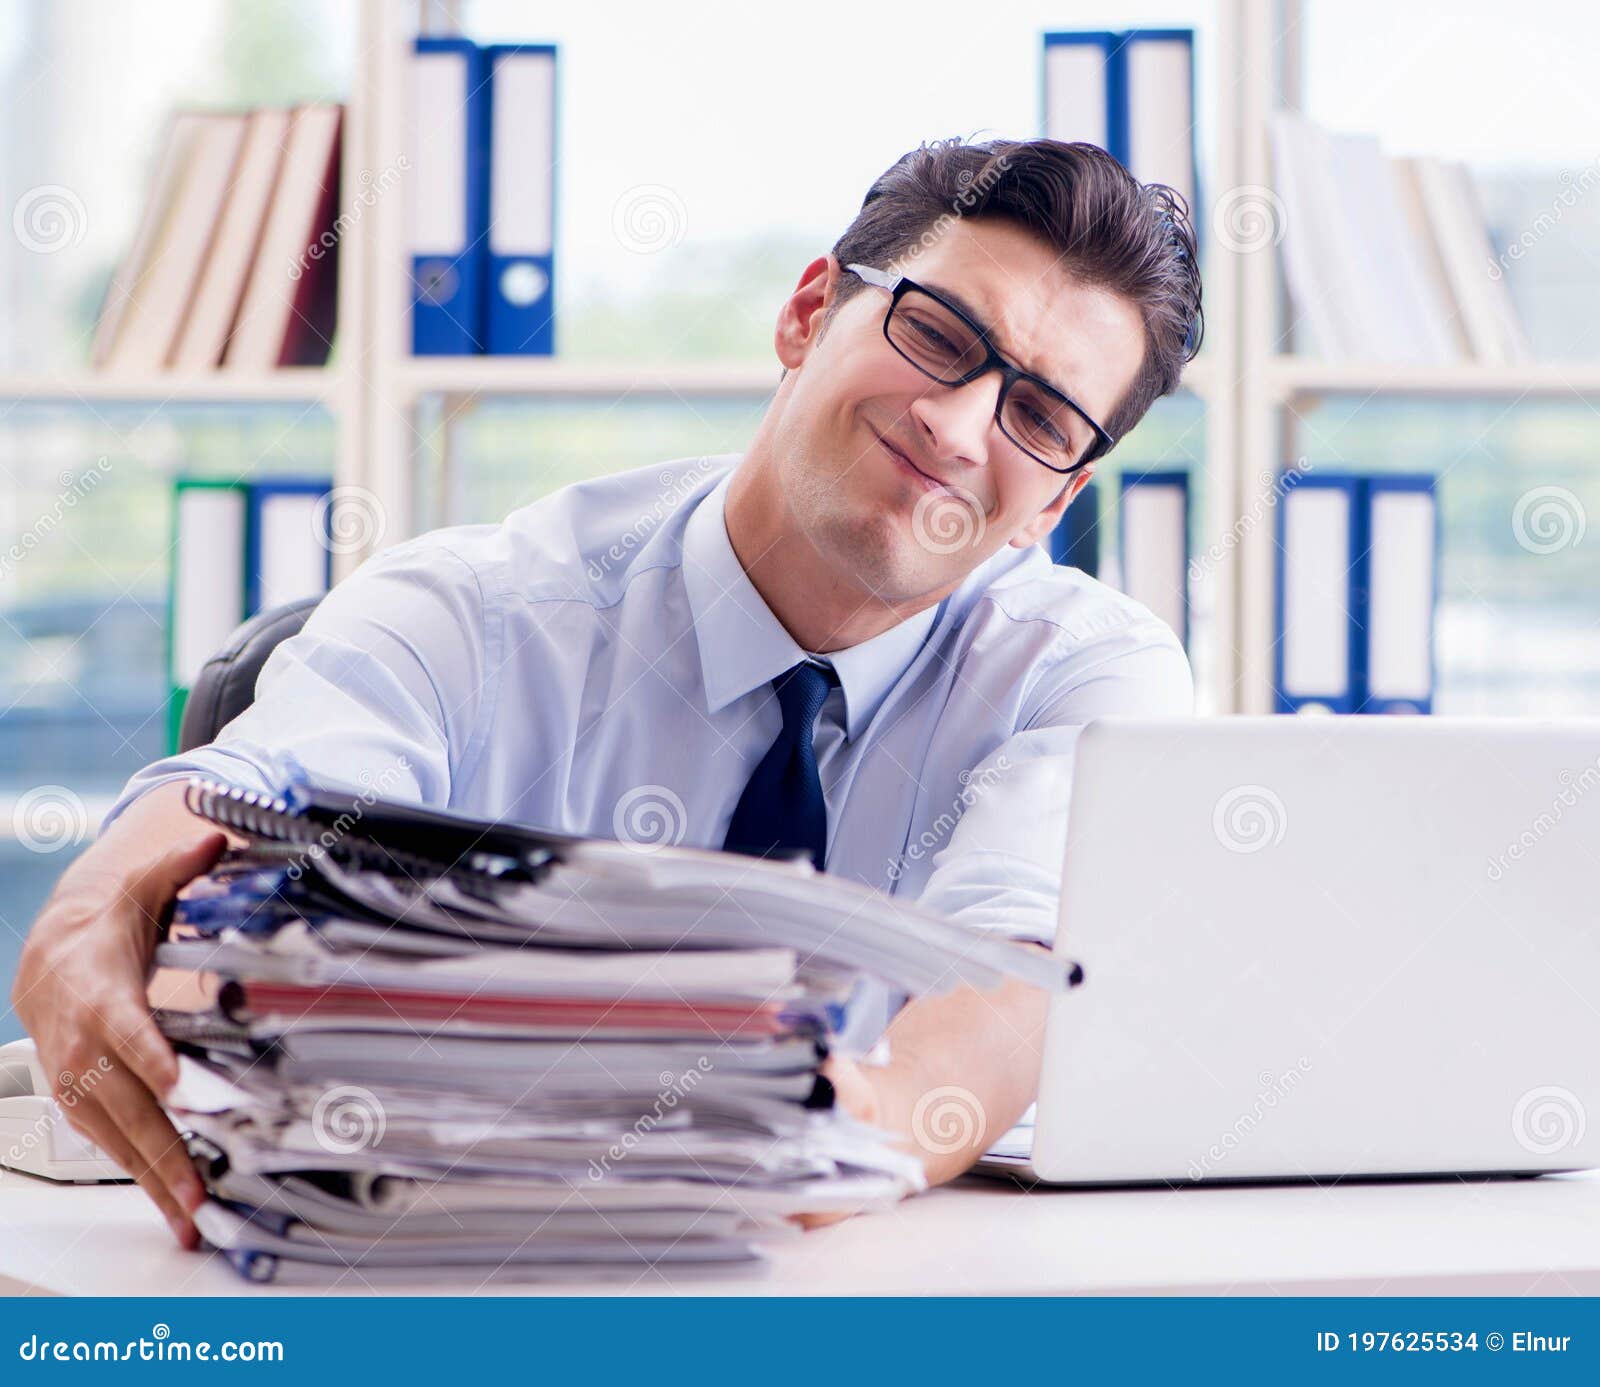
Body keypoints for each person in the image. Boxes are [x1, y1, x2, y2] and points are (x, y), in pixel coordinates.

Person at [14, 136, 1202, 1247]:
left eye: (1038, 416)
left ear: (1052, 504)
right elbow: (245, 794)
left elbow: (1018, 970)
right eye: (938, 335)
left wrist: (833, 1130)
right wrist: (90, 908)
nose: (955, 425)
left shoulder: (1088, 675)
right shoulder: (477, 610)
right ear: (805, 315)